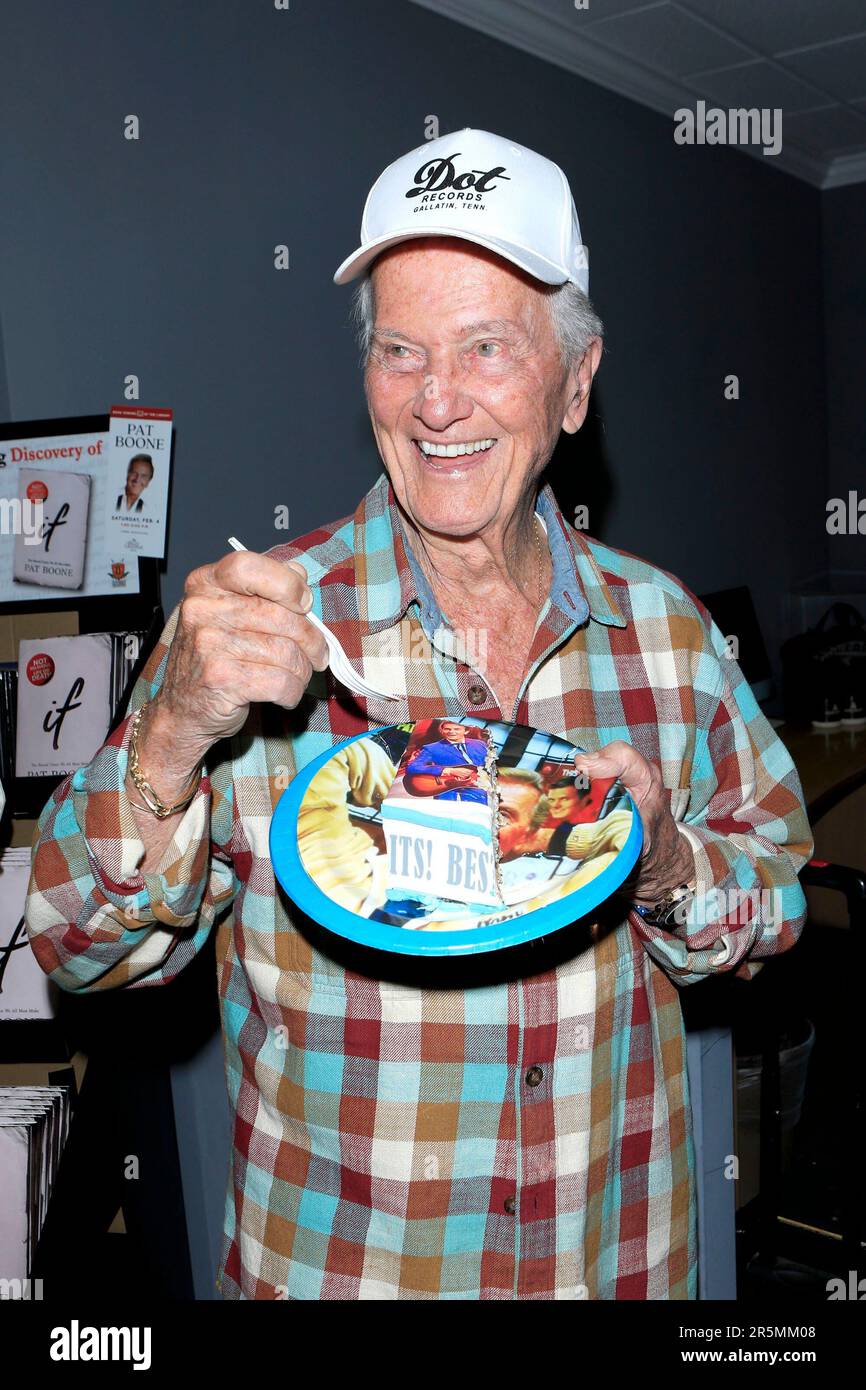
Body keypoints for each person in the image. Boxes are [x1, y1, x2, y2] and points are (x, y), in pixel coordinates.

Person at [25, 127, 812, 1301]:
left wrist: (660, 865)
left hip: (617, 1267)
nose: (434, 400)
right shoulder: (255, 632)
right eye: (399, 350)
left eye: (484, 346)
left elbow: (779, 898)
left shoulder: (669, 633)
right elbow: (76, 945)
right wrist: (172, 732)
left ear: (575, 383)